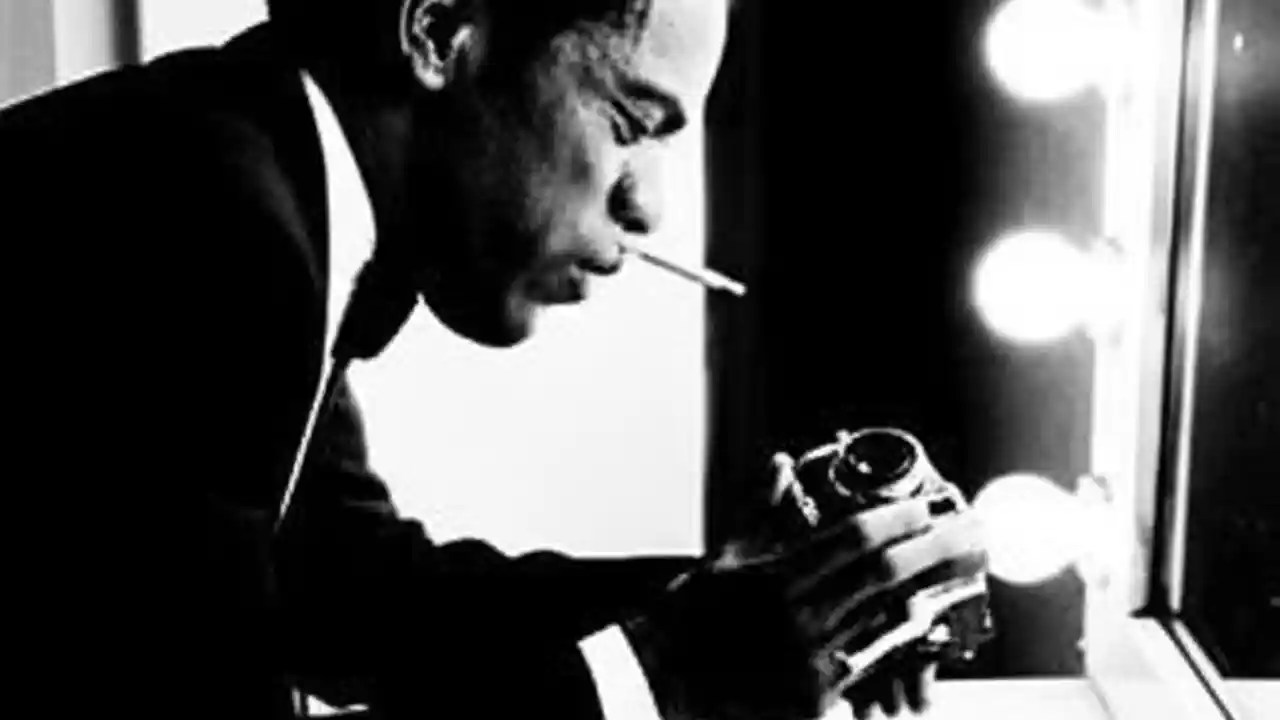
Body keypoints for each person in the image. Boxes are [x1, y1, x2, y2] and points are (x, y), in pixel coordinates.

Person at [0, 1, 987, 718]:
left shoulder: (245, 169)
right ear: (435, 33)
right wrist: (673, 678)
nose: (649, 208)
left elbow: (345, 589)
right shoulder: (203, 230)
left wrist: (754, 599)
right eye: (630, 124)